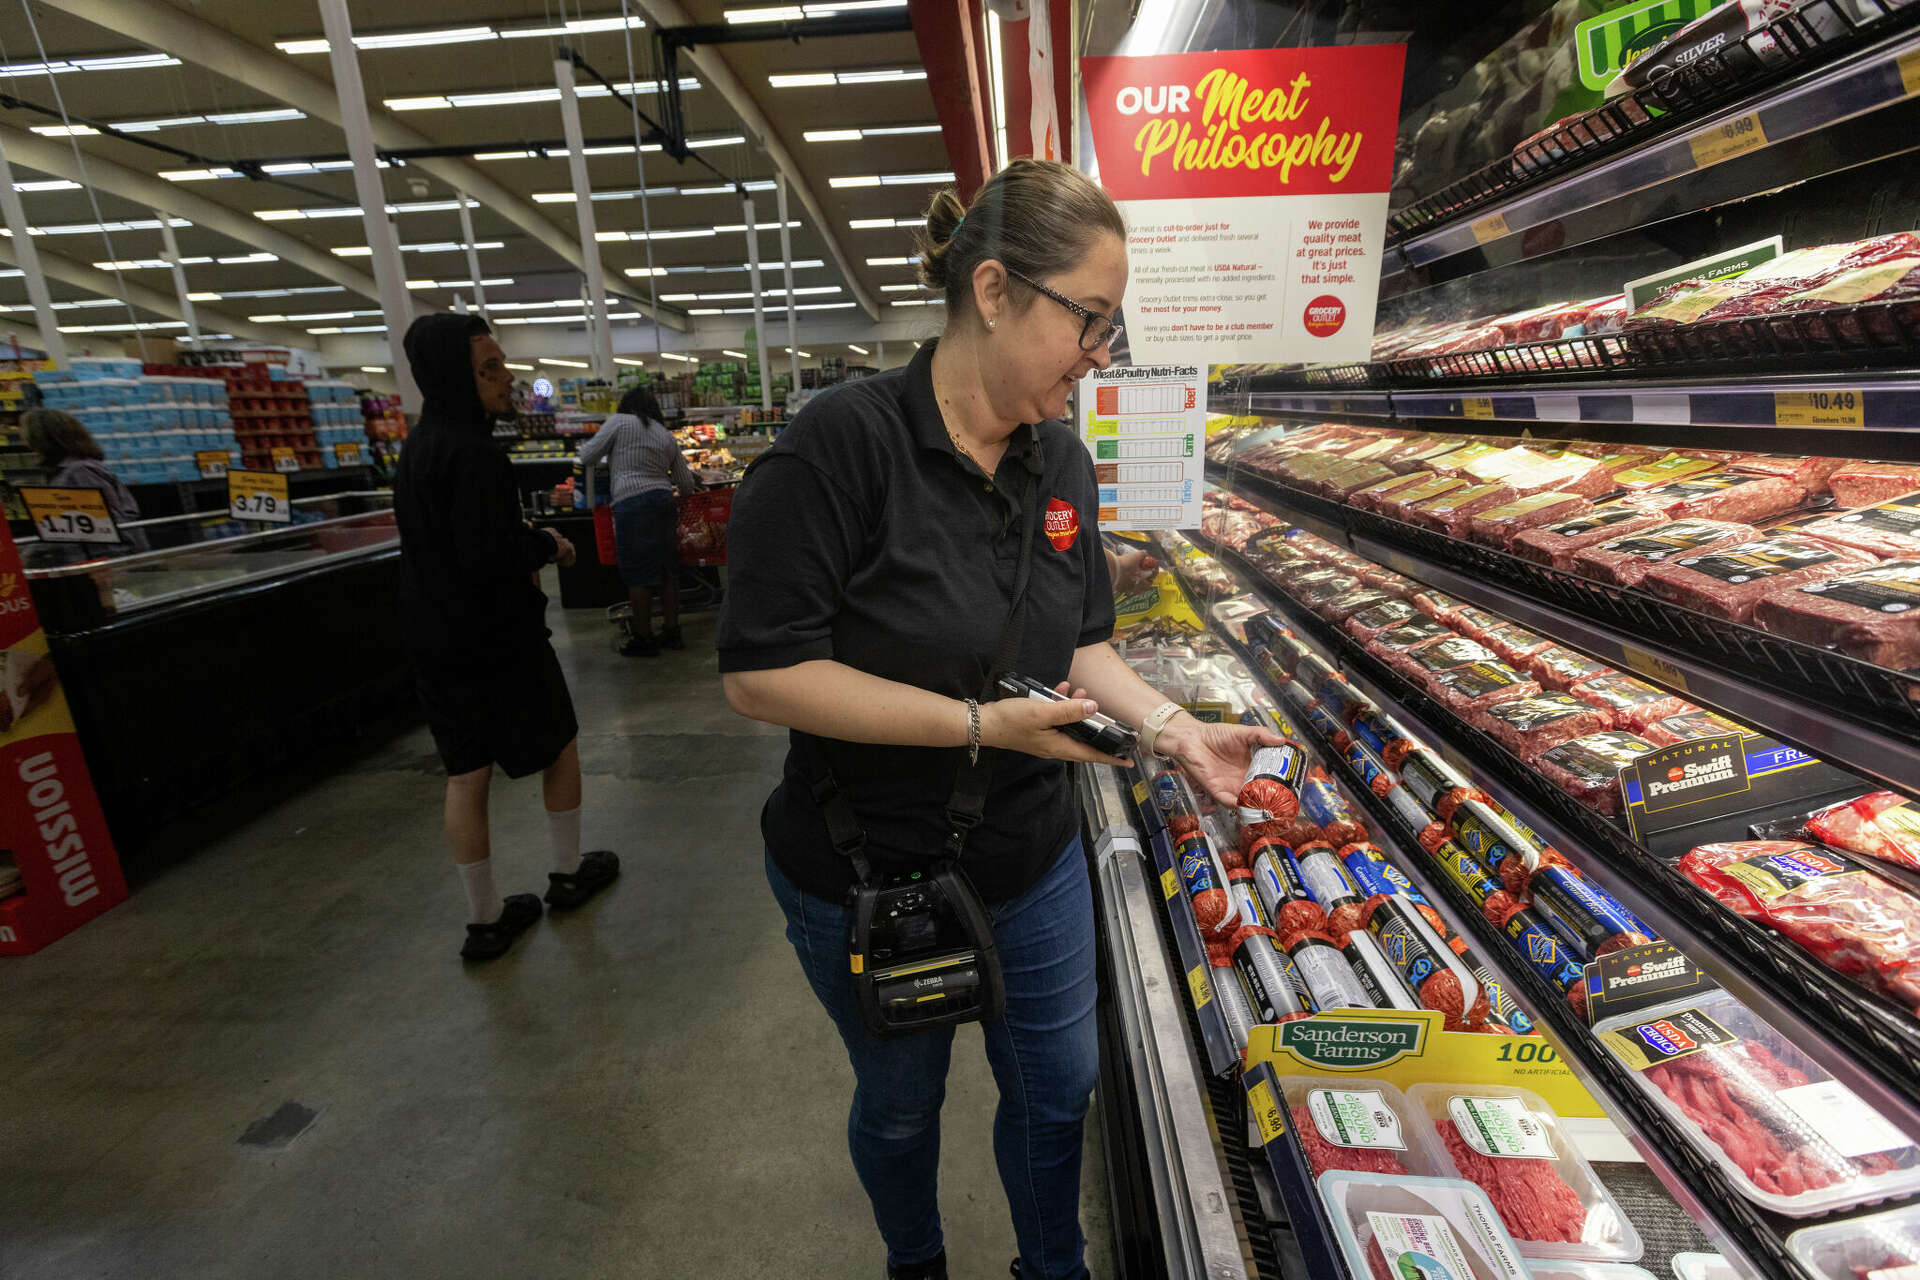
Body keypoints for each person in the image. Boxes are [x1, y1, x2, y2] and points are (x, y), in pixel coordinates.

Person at [718, 159, 1280, 1280]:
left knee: (1055, 1084)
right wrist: (979, 725)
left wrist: (1172, 728)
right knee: (899, 1101)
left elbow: (1080, 647)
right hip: (863, 865)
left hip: (1029, 852)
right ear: (991, 291)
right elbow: (764, 674)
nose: (1101, 354)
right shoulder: (840, 443)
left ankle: (1049, 1266)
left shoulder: (1059, 456)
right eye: (1089, 319)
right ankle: (915, 1259)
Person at [393, 312, 619, 961]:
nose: (506, 378)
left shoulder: (419, 448)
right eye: (489, 369)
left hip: (433, 635)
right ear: (455, 378)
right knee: (561, 745)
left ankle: (485, 917)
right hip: (496, 637)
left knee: (466, 773)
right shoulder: (476, 454)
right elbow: (488, 555)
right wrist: (548, 543)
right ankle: (569, 871)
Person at [576, 383, 698, 657]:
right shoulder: (664, 434)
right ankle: (672, 631)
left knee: (638, 574)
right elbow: (686, 483)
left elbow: (586, 455)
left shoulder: (619, 422)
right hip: (664, 503)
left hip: (631, 503)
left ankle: (644, 637)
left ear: (625, 406)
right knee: (668, 570)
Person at [23, 407, 143, 535]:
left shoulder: (80, 471)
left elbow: (109, 521)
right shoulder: (66, 470)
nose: (26, 442)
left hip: (107, 551)